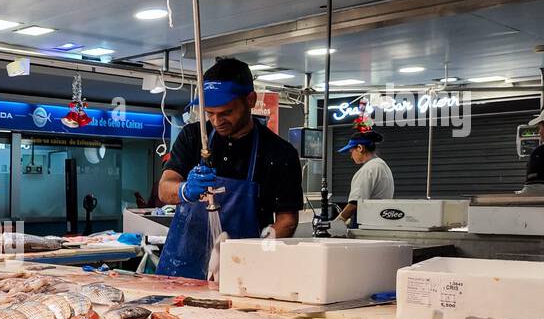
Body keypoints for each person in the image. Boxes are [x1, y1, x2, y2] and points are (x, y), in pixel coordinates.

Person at [156, 57, 303, 278]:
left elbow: (287, 220)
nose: (216, 121)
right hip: (180, 268)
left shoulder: (279, 153)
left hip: (243, 272)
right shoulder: (193, 136)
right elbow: (164, 189)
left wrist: (254, 255)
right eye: (210, 113)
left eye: (225, 113)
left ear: (250, 100)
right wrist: (184, 190)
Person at [335, 130, 394, 228]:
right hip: (381, 222)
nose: (351, 156)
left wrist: (337, 222)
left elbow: (355, 204)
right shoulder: (382, 165)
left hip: (366, 223)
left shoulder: (367, 170)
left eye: (351, 151)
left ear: (360, 148)